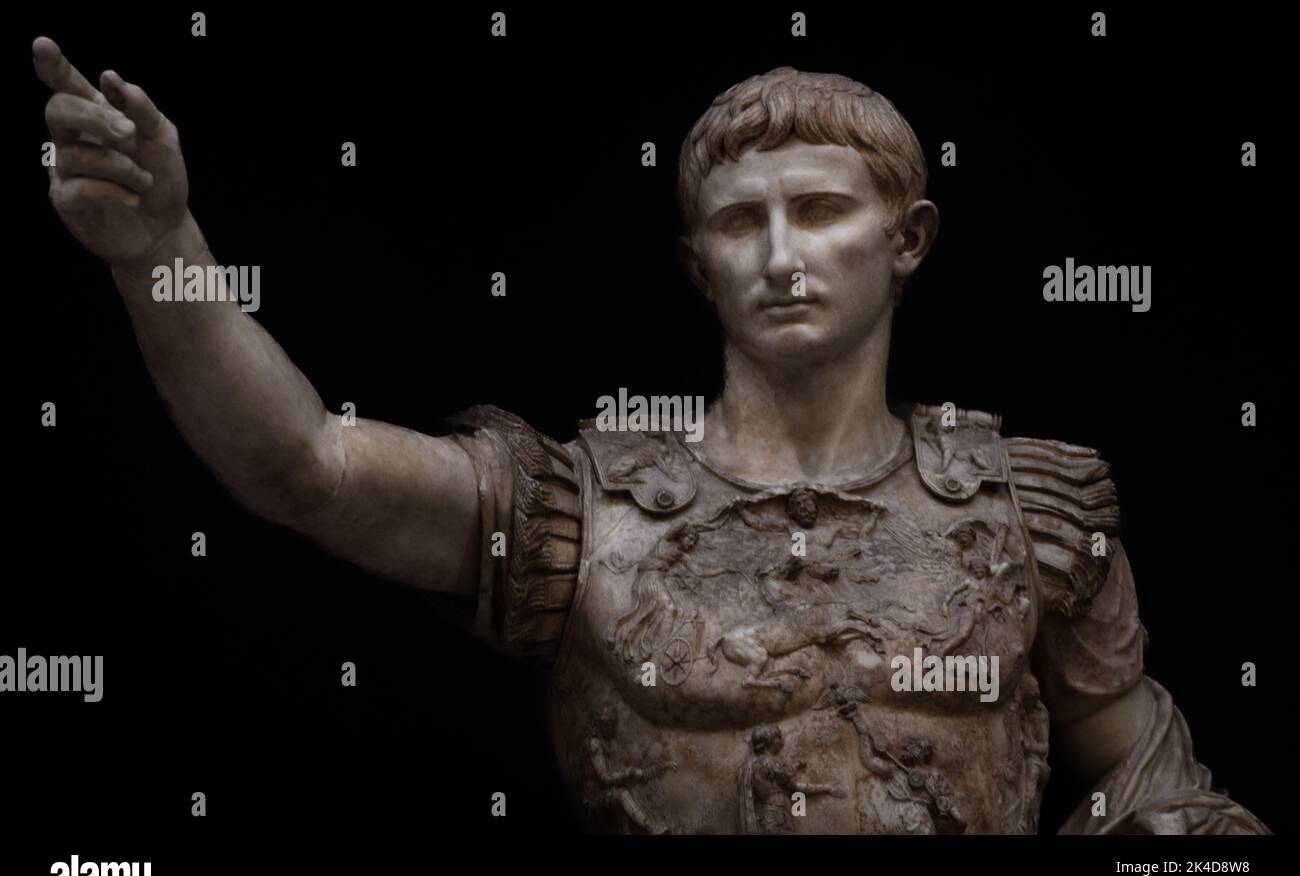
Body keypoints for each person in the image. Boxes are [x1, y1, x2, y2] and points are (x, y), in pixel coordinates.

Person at [33, 38, 1268, 833]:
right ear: (696, 263)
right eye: (741, 224)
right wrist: (161, 256)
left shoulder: (1023, 514)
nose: (781, 256)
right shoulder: (582, 512)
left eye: (823, 211)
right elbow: (304, 465)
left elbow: (1159, 798)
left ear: (909, 241)